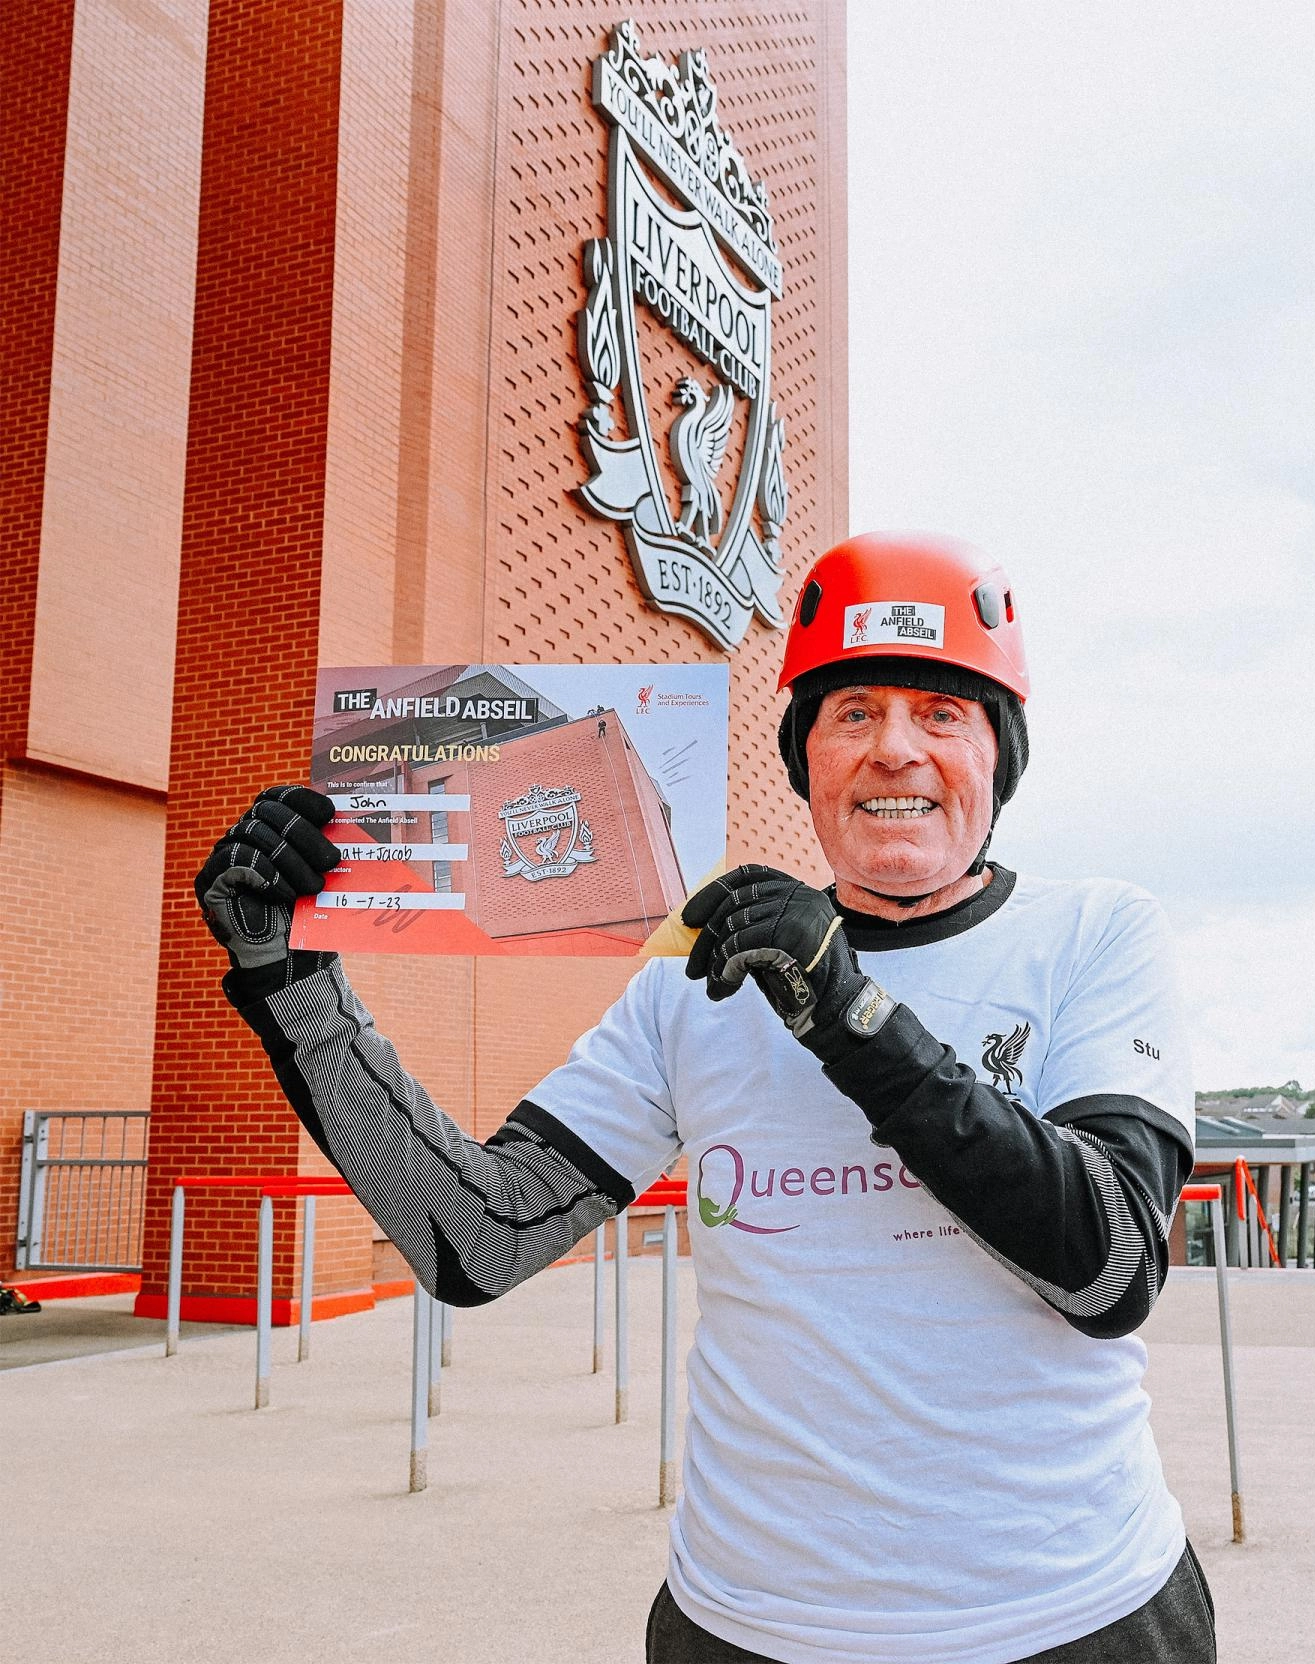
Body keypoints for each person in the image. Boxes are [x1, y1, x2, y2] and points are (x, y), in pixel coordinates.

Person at [196, 532, 1214, 1663]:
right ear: (804, 758)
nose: (895, 750)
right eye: (853, 712)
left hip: (1070, 1617)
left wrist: (847, 1010)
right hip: (747, 1626)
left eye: (941, 713)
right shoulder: (699, 978)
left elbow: (1110, 1269)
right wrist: (290, 981)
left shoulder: (1095, 934)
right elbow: (474, 1237)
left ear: (998, 754)